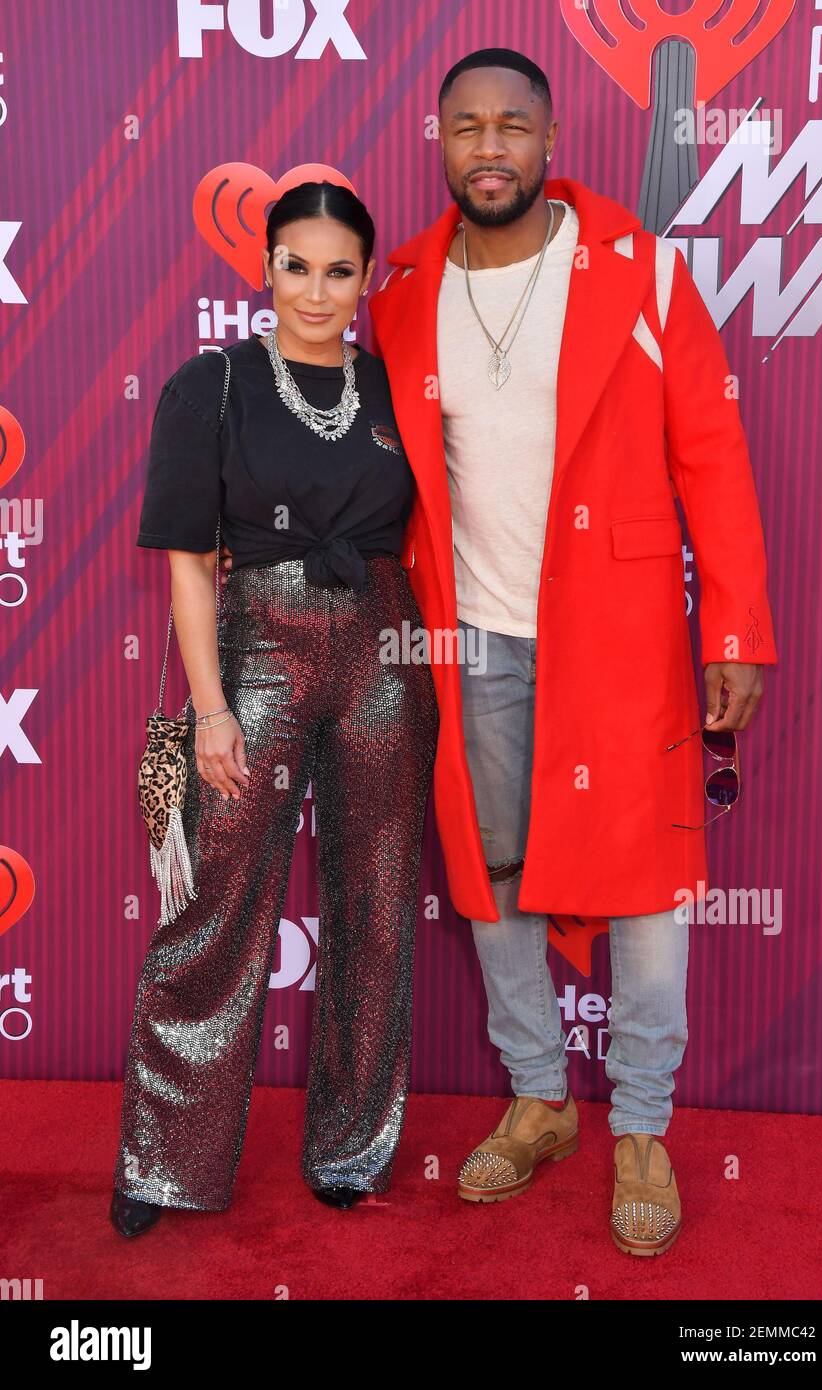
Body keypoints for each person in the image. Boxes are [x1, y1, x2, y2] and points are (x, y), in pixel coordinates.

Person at [366, 49, 778, 1256]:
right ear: (437, 141)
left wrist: (736, 630)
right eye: (465, 127)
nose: (487, 147)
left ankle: (640, 1123)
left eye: (511, 126)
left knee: (647, 878)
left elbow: (712, 453)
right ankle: (540, 1097)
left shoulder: (639, 271)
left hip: (625, 632)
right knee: (492, 869)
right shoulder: (401, 289)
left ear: (550, 139)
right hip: (470, 633)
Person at [110, 181, 438, 1238]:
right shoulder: (211, 385)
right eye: (294, 264)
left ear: (364, 278)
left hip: (385, 655)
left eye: (338, 269)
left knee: (378, 905)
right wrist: (210, 709)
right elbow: (188, 570)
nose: (315, 289)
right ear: (263, 266)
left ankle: (351, 1144)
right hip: (256, 652)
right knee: (214, 909)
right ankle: (164, 1159)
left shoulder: (396, 393)